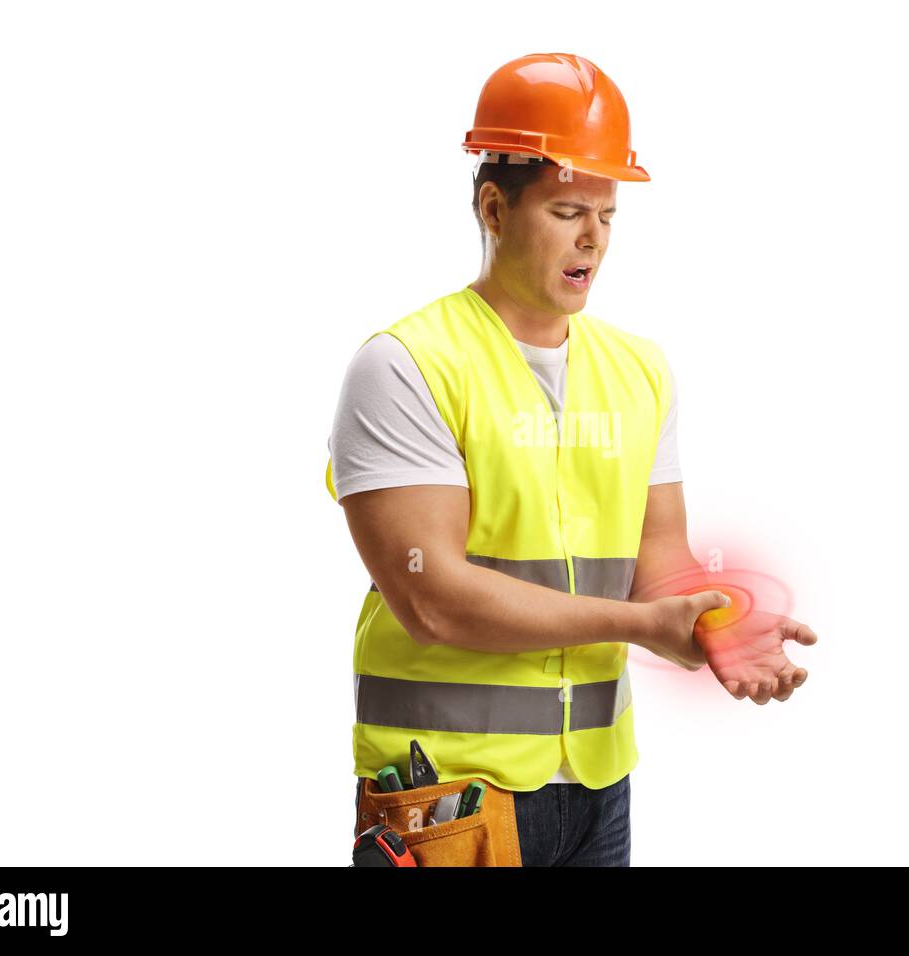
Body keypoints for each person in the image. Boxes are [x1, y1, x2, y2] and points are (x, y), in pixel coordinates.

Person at [328, 53, 817, 866]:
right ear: (494, 206)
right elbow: (434, 599)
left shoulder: (638, 371)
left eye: (608, 214)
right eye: (564, 210)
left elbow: (659, 562)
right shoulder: (407, 365)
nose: (593, 237)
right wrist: (642, 628)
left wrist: (718, 618)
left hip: (597, 790)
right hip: (448, 793)